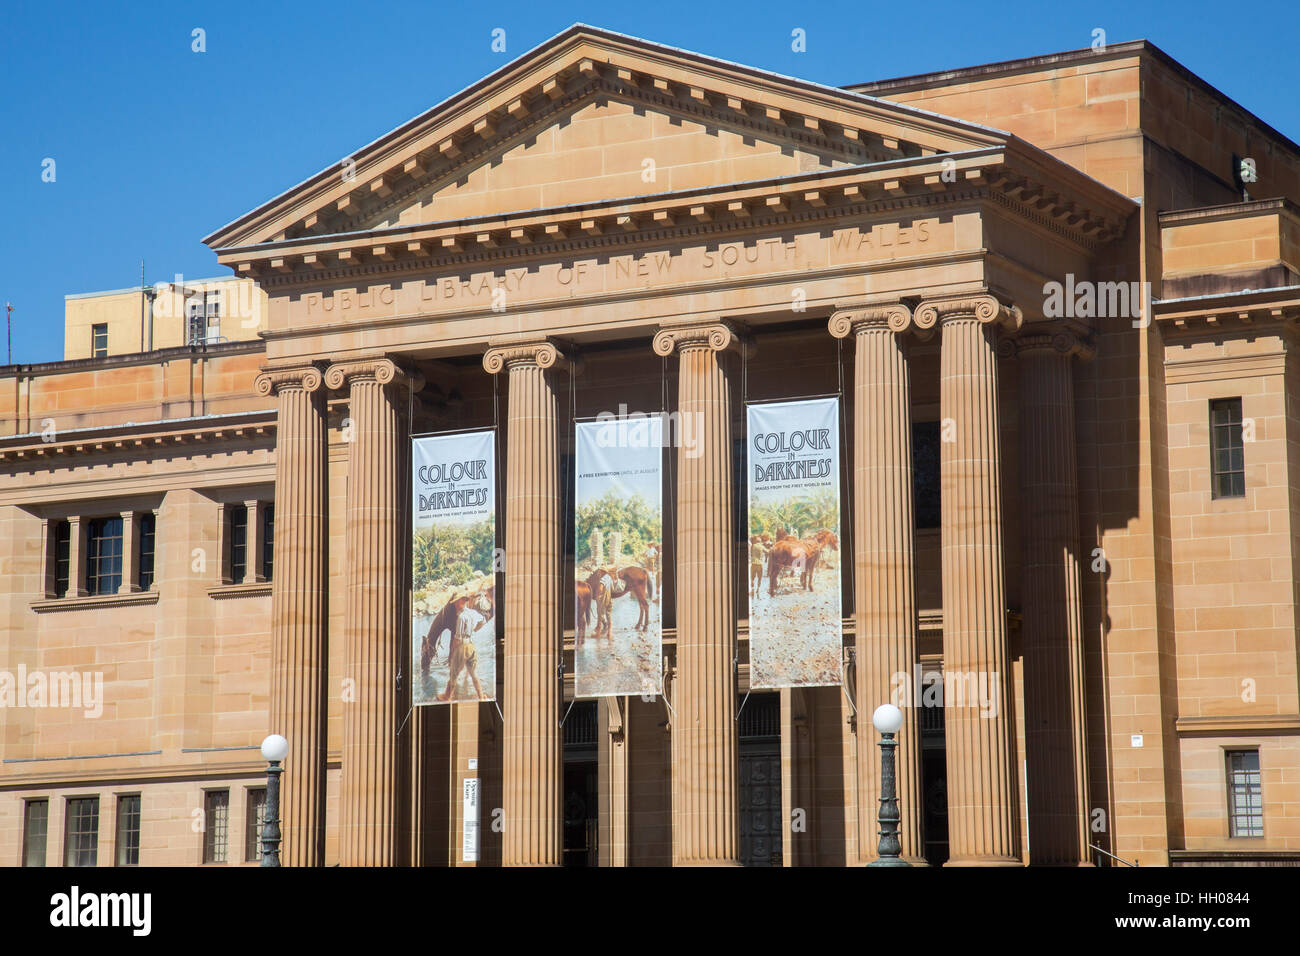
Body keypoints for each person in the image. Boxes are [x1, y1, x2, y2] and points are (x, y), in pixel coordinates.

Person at [438, 590, 491, 701]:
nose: (456, 604)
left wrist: (452, 652)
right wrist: (475, 629)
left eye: (457, 602)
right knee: (474, 673)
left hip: (462, 647)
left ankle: (447, 697)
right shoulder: (473, 613)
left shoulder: (461, 617)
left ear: (460, 602)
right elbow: (483, 621)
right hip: (471, 646)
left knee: (453, 673)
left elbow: (457, 638)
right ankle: (481, 697)